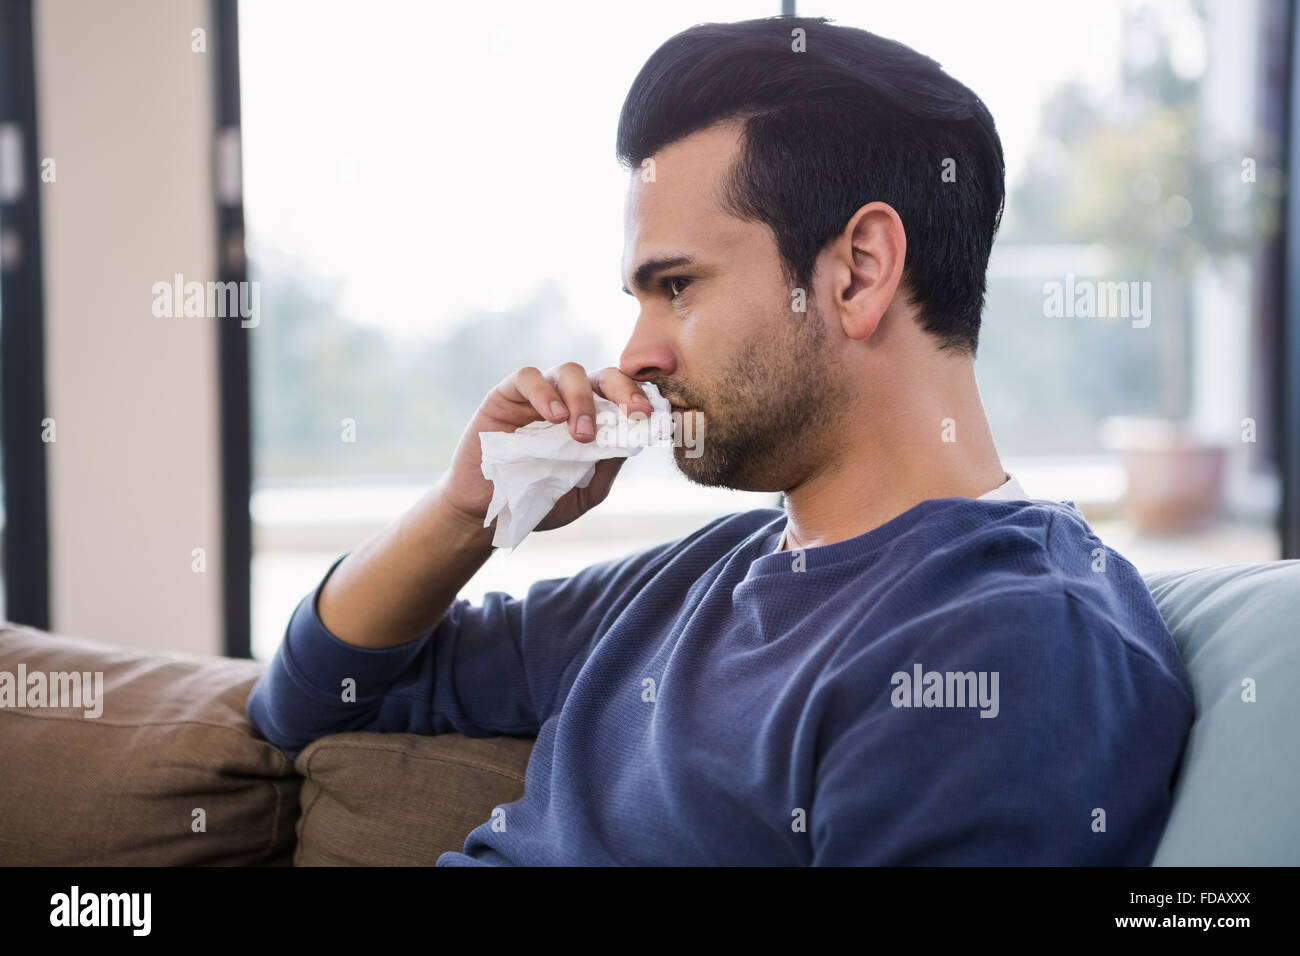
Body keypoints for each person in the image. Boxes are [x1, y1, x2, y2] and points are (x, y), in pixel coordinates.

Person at [246, 15, 1194, 865]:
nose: (633, 353)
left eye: (679, 287)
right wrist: (468, 511)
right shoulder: (715, 569)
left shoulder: (1001, 648)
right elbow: (309, 700)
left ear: (858, 274)